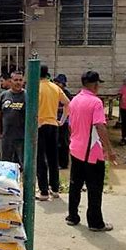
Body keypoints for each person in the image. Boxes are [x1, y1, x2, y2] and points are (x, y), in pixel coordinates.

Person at [65, 71, 117, 231]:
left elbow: (69, 124)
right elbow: (100, 126)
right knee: (95, 189)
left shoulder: (74, 101)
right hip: (92, 153)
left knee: (75, 184)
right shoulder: (96, 102)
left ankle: (72, 216)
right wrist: (110, 149)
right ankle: (95, 222)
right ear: (95, 84)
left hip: (76, 149)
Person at [36, 65, 70, 201]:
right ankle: (55, 189)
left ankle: (44, 191)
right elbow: (68, 103)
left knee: (40, 159)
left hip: (40, 125)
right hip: (53, 125)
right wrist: (62, 120)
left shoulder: (35, 87)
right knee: (53, 159)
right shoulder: (55, 87)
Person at [0, 70, 26, 167]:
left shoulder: (27, 96)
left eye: (20, 80)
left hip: (22, 137)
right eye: (15, 80)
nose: (18, 82)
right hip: (7, 136)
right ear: (10, 81)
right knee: (6, 164)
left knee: (23, 164)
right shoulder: (4, 95)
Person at [54, 74, 72, 170]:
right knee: (56, 143)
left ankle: (64, 164)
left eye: (58, 82)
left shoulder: (66, 94)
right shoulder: (55, 92)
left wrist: (57, 108)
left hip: (64, 122)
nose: (56, 84)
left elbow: (69, 106)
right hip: (55, 121)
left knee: (64, 143)